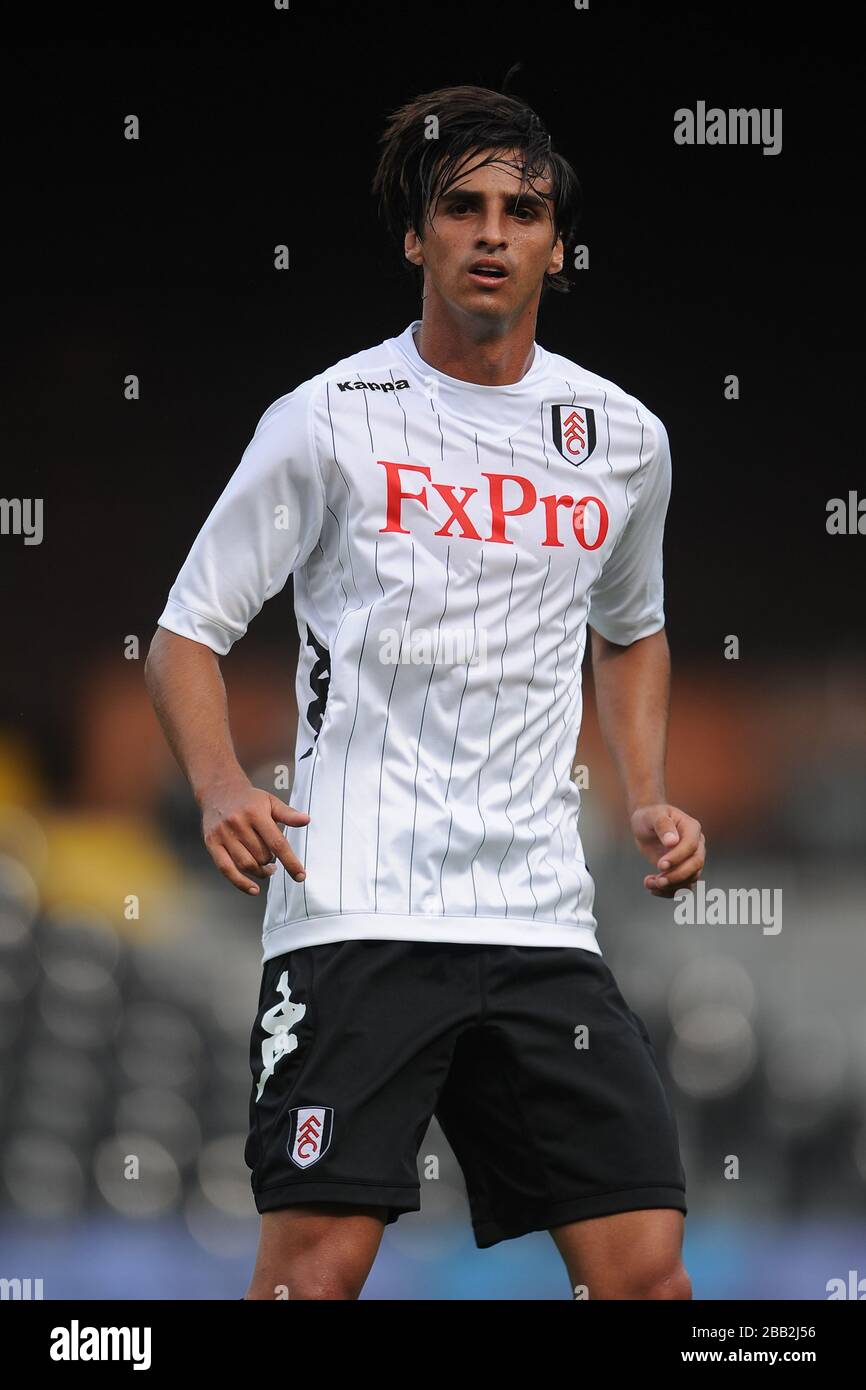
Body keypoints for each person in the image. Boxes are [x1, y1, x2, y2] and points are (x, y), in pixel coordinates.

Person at [144, 84, 705, 1300]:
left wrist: (648, 793)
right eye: (462, 208)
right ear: (417, 236)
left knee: (645, 1268)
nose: (492, 232)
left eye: (523, 209)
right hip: (355, 907)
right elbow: (184, 632)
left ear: (556, 244)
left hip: (538, 917)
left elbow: (634, 629)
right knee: (316, 1268)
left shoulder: (621, 437)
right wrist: (221, 782)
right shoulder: (328, 418)